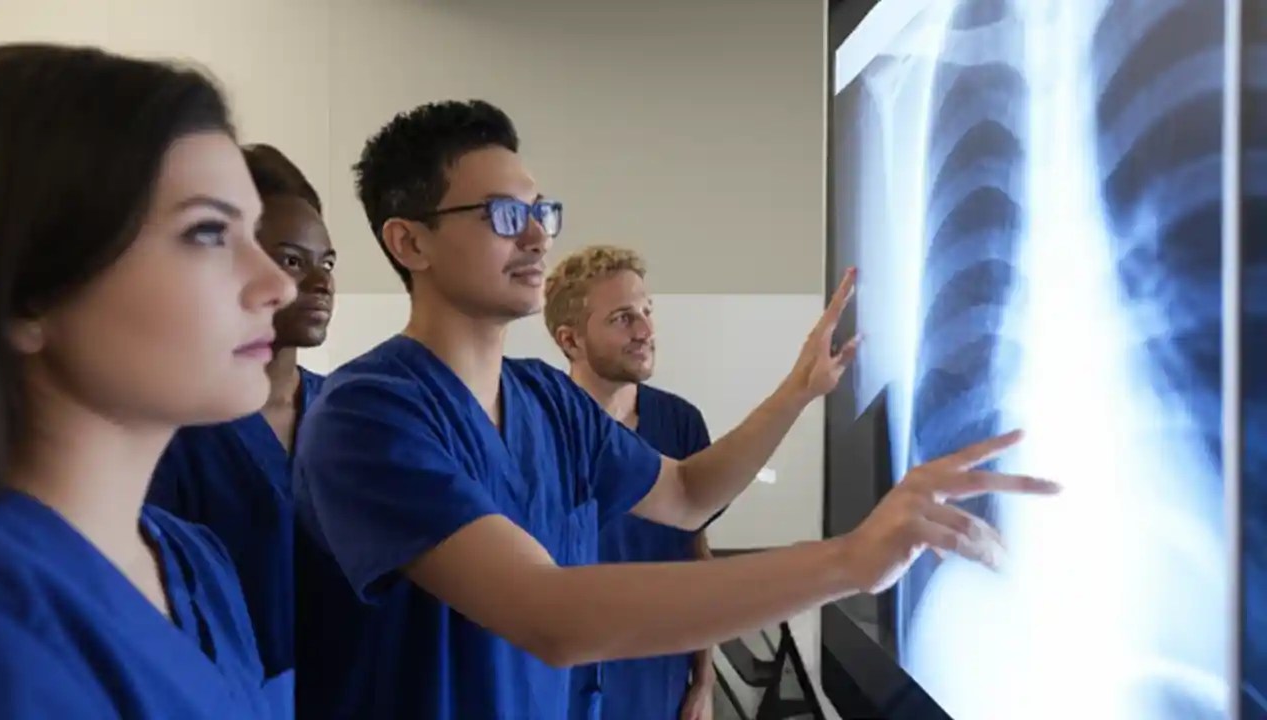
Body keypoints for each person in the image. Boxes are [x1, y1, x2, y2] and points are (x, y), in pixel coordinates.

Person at [293, 99, 1060, 720]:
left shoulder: (545, 399)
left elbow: (688, 493)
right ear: (409, 243)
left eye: (541, 210)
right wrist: (847, 560)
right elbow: (549, 615)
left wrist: (798, 390)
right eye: (500, 215)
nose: (535, 235)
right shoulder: (369, 416)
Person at [0, 44, 297, 718]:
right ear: (26, 295)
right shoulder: (6, 624)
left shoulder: (194, 561)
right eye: (209, 232)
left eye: (256, 232)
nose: (278, 283)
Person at [147, 143, 335, 714]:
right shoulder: (180, 429)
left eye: (327, 262)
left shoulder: (352, 412)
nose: (318, 282)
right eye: (292, 259)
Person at [543, 245, 720, 720]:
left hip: (656, 677)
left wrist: (704, 678)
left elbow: (694, 551)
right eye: (623, 318)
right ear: (571, 340)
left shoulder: (679, 423)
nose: (646, 331)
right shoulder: (539, 425)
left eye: (646, 312)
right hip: (562, 676)